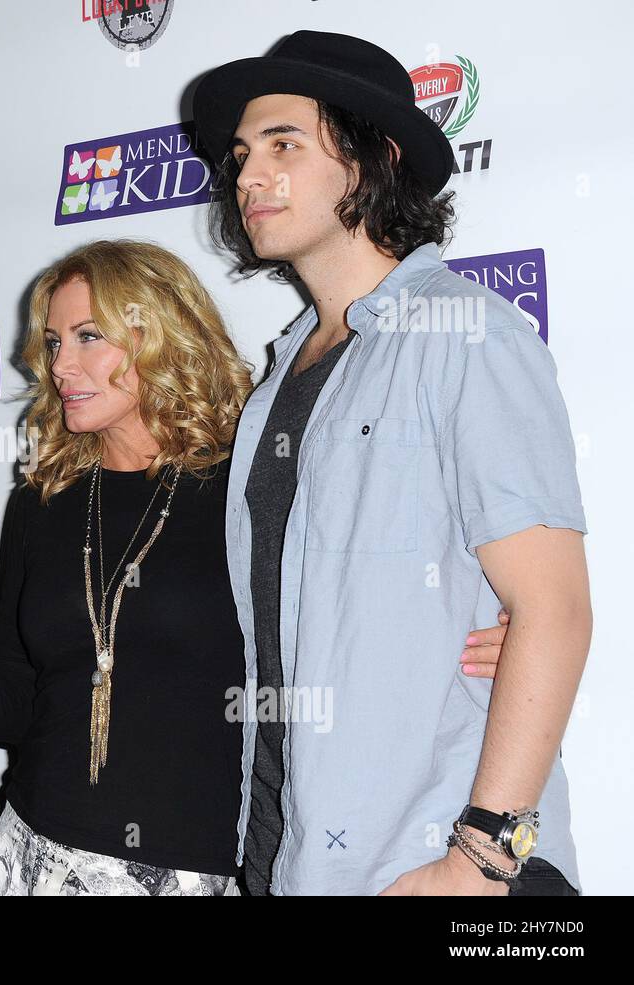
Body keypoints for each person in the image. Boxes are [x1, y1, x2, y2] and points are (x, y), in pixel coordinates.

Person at [0, 239, 512, 896]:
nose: (61, 365)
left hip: (188, 865)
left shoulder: (250, 484)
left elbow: (345, 616)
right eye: (52, 342)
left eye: (88, 336)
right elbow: (12, 699)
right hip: (32, 850)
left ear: (159, 337)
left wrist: (474, 623)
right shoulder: (42, 498)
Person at [192, 30, 591, 895]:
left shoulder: (466, 334)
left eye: (284, 145)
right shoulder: (274, 385)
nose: (249, 176)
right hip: (286, 850)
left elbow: (553, 612)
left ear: (376, 159)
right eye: (241, 155)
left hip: (437, 859)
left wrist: (481, 860)